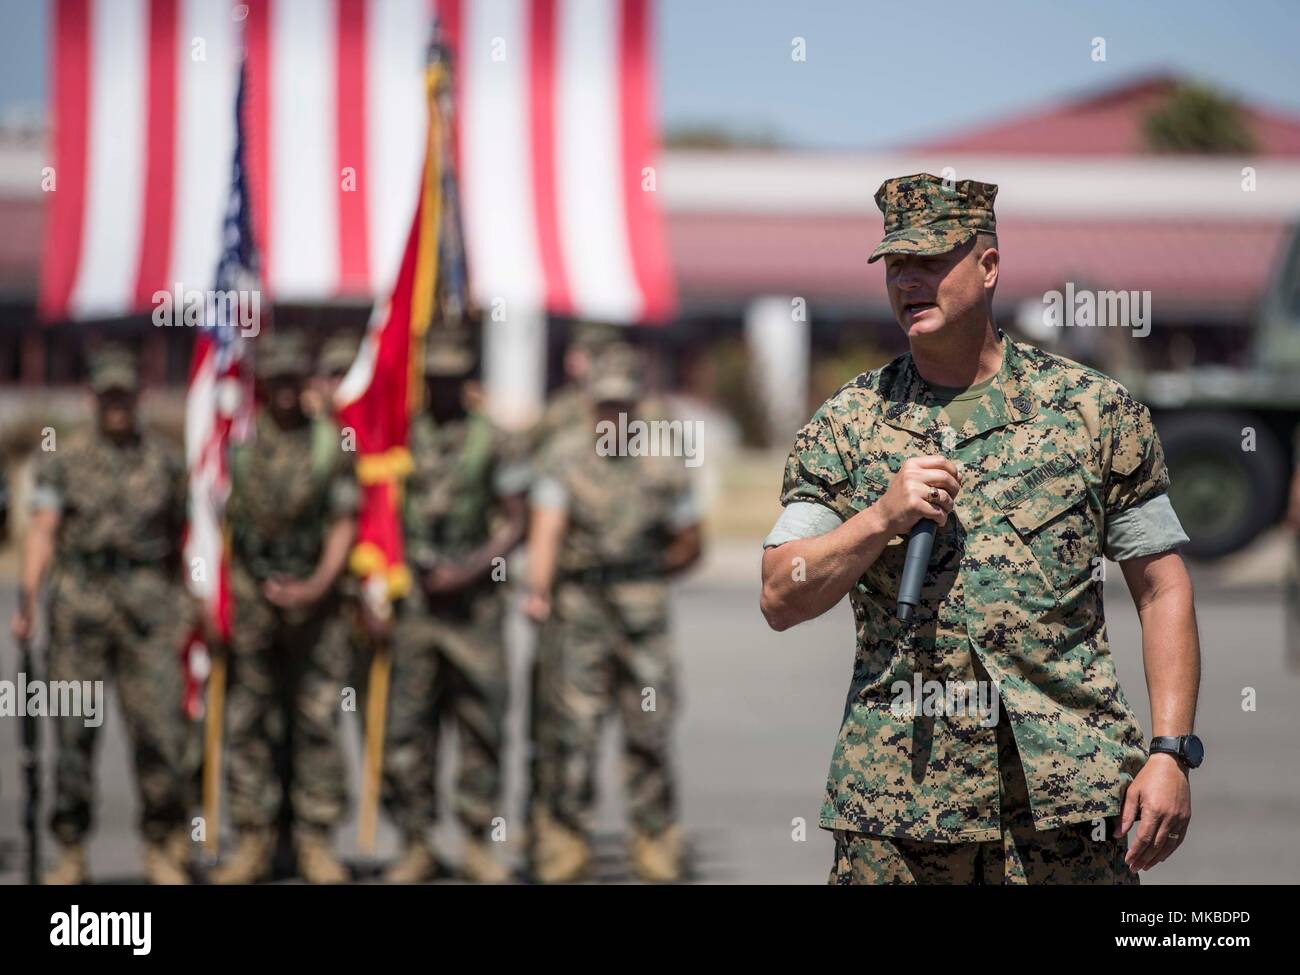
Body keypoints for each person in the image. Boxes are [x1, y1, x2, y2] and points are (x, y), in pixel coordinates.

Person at [760, 173, 1203, 885]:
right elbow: (783, 591)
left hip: (1068, 810)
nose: (909, 280)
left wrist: (1170, 750)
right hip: (899, 813)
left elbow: (1162, 588)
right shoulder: (849, 424)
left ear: (988, 266)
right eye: (896, 264)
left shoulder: (1092, 412)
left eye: (930, 261)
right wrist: (878, 519)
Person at [12, 343, 192, 884]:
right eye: (107, 394)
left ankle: (162, 845)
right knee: (73, 738)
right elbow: (43, 531)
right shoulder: (62, 460)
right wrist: (27, 601)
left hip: (150, 613)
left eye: (125, 393)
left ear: (138, 395)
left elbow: (185, 540)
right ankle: (70, 852)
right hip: (80, 613)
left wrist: (197, 602)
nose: (117, 404)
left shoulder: (165, 461)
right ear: (94, 397)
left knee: (160, 736)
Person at [525, 343, 703, 883]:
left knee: (649, 728)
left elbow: (691, 541)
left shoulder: (664, 457)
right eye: (605, 404)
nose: (614, 415)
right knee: (571, 733)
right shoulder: (563, 455)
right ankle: (563, 837)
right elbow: (547, 528)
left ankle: (654, 837)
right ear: (588, 402)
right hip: (579, 613)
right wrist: (538, 589)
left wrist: (645, 575)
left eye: (623, 404)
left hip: (642, 617)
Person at [380, 329, 528, 883]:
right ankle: (415, 841)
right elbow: (377, 507)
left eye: (452, 379)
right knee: (406, 727)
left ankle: (476, 839)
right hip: (413, 605)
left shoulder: (491, 440)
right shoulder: (398, 435)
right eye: (433, 378)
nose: (442, 389)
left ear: (467, 382)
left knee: (481, 723)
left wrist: (468, 569)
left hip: (473, 607)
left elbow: (517, 519)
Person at [211, 333, 358, 884]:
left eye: (296, 379)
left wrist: (316, 585)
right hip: (254, 604)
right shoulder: (238, 447)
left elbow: (345, 521)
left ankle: (315, 842)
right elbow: (217, 527)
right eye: (278, 381)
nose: (288, 391)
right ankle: (253, 839)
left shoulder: (332, 445)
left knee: (317, 723)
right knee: (249, 724)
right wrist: (218, 595)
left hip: (316, 609)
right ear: (264, 385)